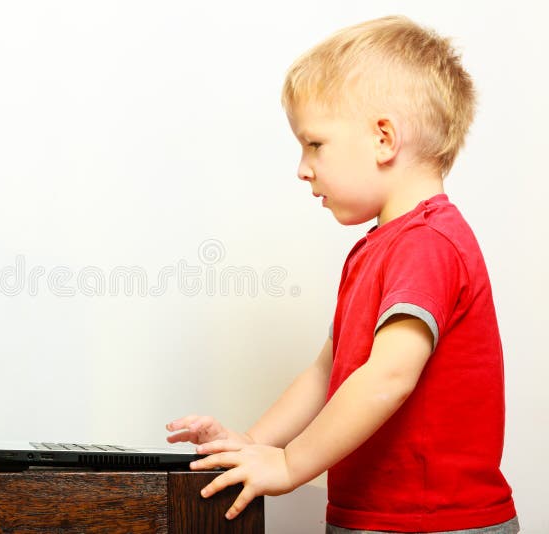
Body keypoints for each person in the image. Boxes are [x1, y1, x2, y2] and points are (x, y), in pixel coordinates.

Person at [166, 15, 518, 533]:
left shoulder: (428, 243)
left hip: (434, 524)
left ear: (383, 139)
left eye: (315, 144)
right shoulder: (374, 251)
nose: (302, 168)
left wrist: (289, 464)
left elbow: (388, 377)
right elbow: (324, 375)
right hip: (373, 519)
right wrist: (256, 444)